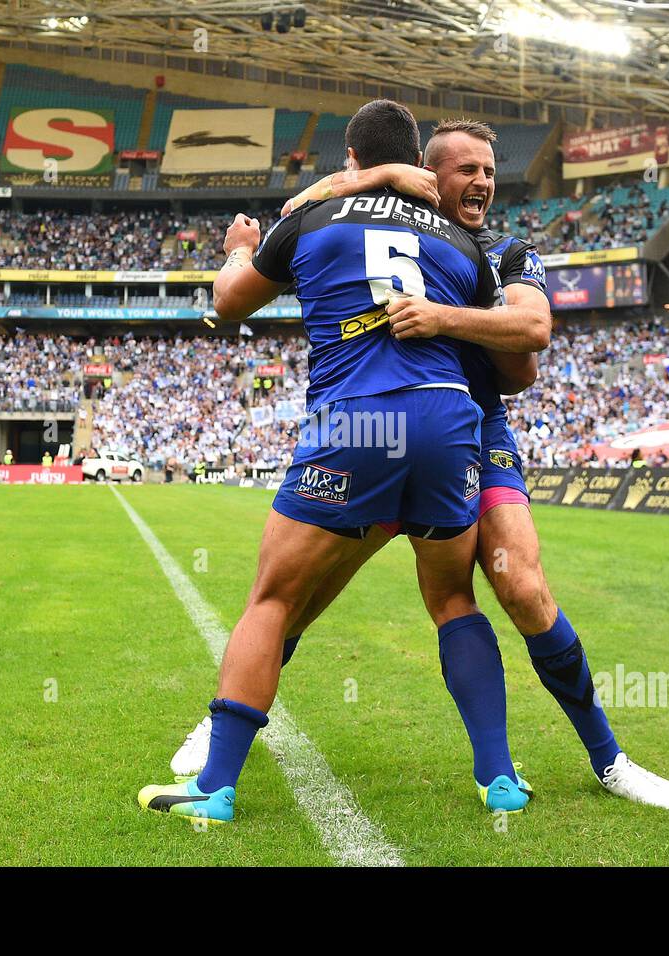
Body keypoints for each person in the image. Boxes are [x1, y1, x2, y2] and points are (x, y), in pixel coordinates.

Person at [170, 118, 669, 811]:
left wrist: (442, 317)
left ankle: (609, 759)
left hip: (474, 435)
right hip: (432, 433)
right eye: (465, 170)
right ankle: (222, 724)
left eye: (488, 171)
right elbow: (327, 195)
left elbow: (528, 352)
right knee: (304, 599)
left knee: (522, 591)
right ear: (424, 170)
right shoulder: (396, 217)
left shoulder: (501, 251)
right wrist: (373, 178)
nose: (481, 182)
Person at [139, 100, 529, 825]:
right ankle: (499, 776)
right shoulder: (462, 239)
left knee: (274, 600)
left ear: (351, 159)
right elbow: (513, 362)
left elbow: (228, 306)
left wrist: (235, 247)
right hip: (450, 420)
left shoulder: (312, 217)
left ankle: (217, 785)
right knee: (453, 600)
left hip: (358, 416)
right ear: (416, 162)